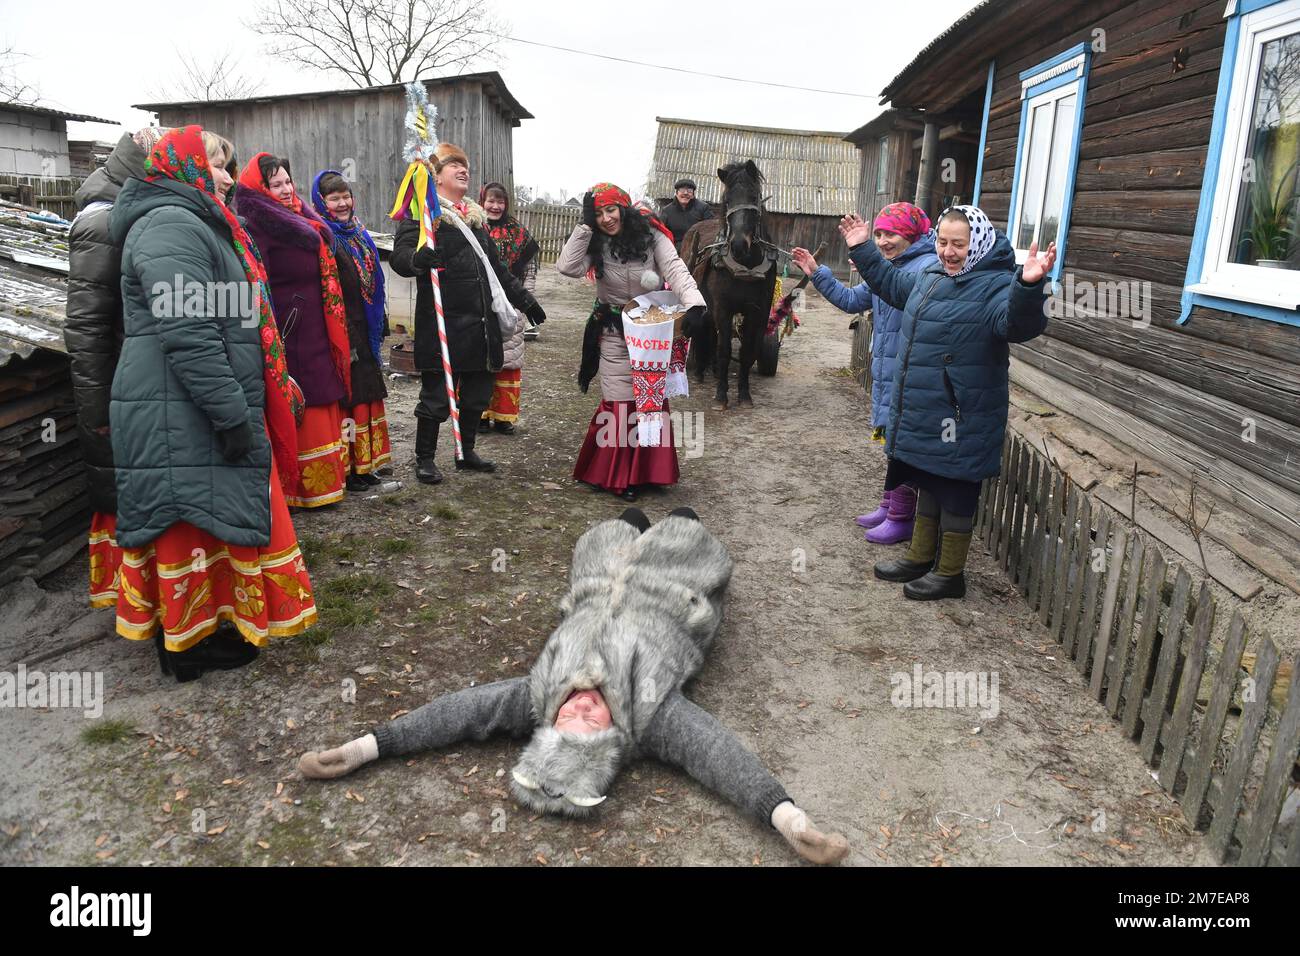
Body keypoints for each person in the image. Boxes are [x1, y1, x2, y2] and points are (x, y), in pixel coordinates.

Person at [298, 507, 850, 865]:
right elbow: (717, 754)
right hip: (672, 589)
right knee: (685, 522)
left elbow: (463, 712)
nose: (582, 707)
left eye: (570, 720)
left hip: (598, 581)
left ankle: (634, 520)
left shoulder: (539, 696)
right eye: (592, 723)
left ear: (549, 725)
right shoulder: (652, 716)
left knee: (622, 520)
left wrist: (367, 747)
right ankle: (677, 522)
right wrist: (787, 817)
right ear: (611, 740)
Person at [98, 126, 316, 679]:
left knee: (200, 519)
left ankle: (191, 639)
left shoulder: (194, 221)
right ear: (188, 167)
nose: (226, 176)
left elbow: (230, 319)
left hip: (188, 400)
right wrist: (231, 411)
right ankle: (183, 650)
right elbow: (190, 334)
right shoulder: (171, 223)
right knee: (184, 521)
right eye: (217, 165)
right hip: (179, 405)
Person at [842, 205, 1055, 600]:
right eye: (942, 242)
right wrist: (862, 249)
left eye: (959, 244)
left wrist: (1029, 286)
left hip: (962, 413)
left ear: (978, 243)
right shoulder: (930, 275)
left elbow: (1017, 324)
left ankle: (950, 574)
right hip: (927, 409)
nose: (948, 252)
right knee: (928, 482)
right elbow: (891, 285)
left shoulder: (994, 284)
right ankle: (920, 557)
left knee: (956, 491)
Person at [390, 144, 546, 483]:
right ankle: (425, 459)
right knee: (435, 399)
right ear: (436, 175)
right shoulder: (423, 216)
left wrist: (525, 300)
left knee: (476, 395)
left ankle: (466, 451)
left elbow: (497, 269)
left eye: (466, 166)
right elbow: (399, 258)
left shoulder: (475, 220)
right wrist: (418, 258)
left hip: (481, 325)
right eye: (455, 165)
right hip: (444, 322)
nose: (464, 170)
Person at [792, 202, 937, 546]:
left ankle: (902, 516)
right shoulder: (889, 267)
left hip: (914, 373)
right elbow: (851, 300)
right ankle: (889, 505)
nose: (884, 241)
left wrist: (870, 256)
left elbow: (901, 291)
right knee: (891, 441)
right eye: (880, 233)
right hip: (889, 372)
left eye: (893, 233)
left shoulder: (926, 266)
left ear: (913, 234)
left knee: (904, 445)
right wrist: (816, 272)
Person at [66, 127, 169, 607]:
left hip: (137, 383)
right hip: (121, 390)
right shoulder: (103, 221)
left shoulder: (134, 208)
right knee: (132, 498)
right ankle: (144, 606)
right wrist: (98, 410)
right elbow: (87, 330)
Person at [557, 182, 706, 502]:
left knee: (649, 397)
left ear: (623, 208)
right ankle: (615, 475)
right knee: (620, 398)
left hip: (650, 328)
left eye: (611, 210)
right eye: (598, 214)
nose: (607, 219)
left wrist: (695, 303)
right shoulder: (594, 239)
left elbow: (676, 269)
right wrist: (584, 226)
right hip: (611, 328)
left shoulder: (651, 234)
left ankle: (648, 472)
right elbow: (567, 267)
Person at [237, 154, 353, 509]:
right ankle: (301, 490)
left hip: (316, 325)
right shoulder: (257, 226)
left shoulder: (305, 218)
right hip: (289, 331)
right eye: (276, 184)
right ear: (260, 189)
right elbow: (256, 286)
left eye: (288, 182)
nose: (287, 190)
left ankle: (328, 482)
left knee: (324, 392)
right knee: (305, 400)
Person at [310, 170, 401, 494]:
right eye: (334, 198)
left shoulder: (359, 233)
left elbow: (373, 283)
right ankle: (351, 470)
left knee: (368, 396)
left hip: (365, 326)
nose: (343, 203)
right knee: (353, 400)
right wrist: (344, 333)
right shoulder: (324, 237)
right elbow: (328, 290)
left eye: (345, 196)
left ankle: (367, 466)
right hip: (344, 329)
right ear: (322, 203)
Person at [478, 181, 540, 435]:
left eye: (500, 201)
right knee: (480, 361)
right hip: (479, 304)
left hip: (511, 304)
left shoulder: (518, 233)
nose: (495, 206)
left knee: (509, 361)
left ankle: (504, 416)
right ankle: (478, 414)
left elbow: (529, 272)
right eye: (490, 201)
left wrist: (525, 302)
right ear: (482, 202)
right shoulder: (473, 228)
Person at [658, 177, 714, 251]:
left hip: (698, 251)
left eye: (689, 190)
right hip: (674, 252)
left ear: (693, 194)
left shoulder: (704, 208)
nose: (685, 193)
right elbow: (661, 235)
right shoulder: (666, 211)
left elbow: (710, 230)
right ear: (676, 193)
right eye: (682, 190)